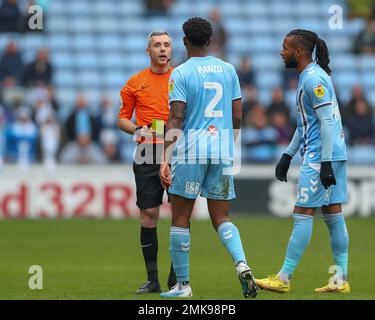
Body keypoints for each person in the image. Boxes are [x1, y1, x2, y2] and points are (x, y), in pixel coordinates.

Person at [159, 17, 258, 298]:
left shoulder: (180, 73)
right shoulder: (229, 70)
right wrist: (230, 143)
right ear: (211, 40)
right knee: (222, 217)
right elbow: (238, 114)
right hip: (222, 151)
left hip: (191, 152)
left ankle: (183, 286)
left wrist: (164, 158)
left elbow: (176, 117)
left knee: (180, 217)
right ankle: (242, 264)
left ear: (185, 41)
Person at [256, 30, 350, 294]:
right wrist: (287, 154)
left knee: (302, 213)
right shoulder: (312, 76)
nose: (281, 52)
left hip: (321, 156)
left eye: (285, 47)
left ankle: (283, 278)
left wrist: (326, 162)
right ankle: (340, 280)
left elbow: (328, 122)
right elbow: (307, 123)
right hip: (332, 153)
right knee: (333, 215)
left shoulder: (313, 80)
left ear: (298, 52)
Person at [117, 30, 176, 294]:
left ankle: (178, 279)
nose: (162, 49)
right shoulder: (134, 82)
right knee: (148, 215)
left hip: (177, 150)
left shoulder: (181, 78)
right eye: (157, 45)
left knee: (181, 215)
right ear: (148, 51)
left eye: (166, 45)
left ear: (171, 50)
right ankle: (153, 280)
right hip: (147, 153)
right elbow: (122, 119)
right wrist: (137, 130)